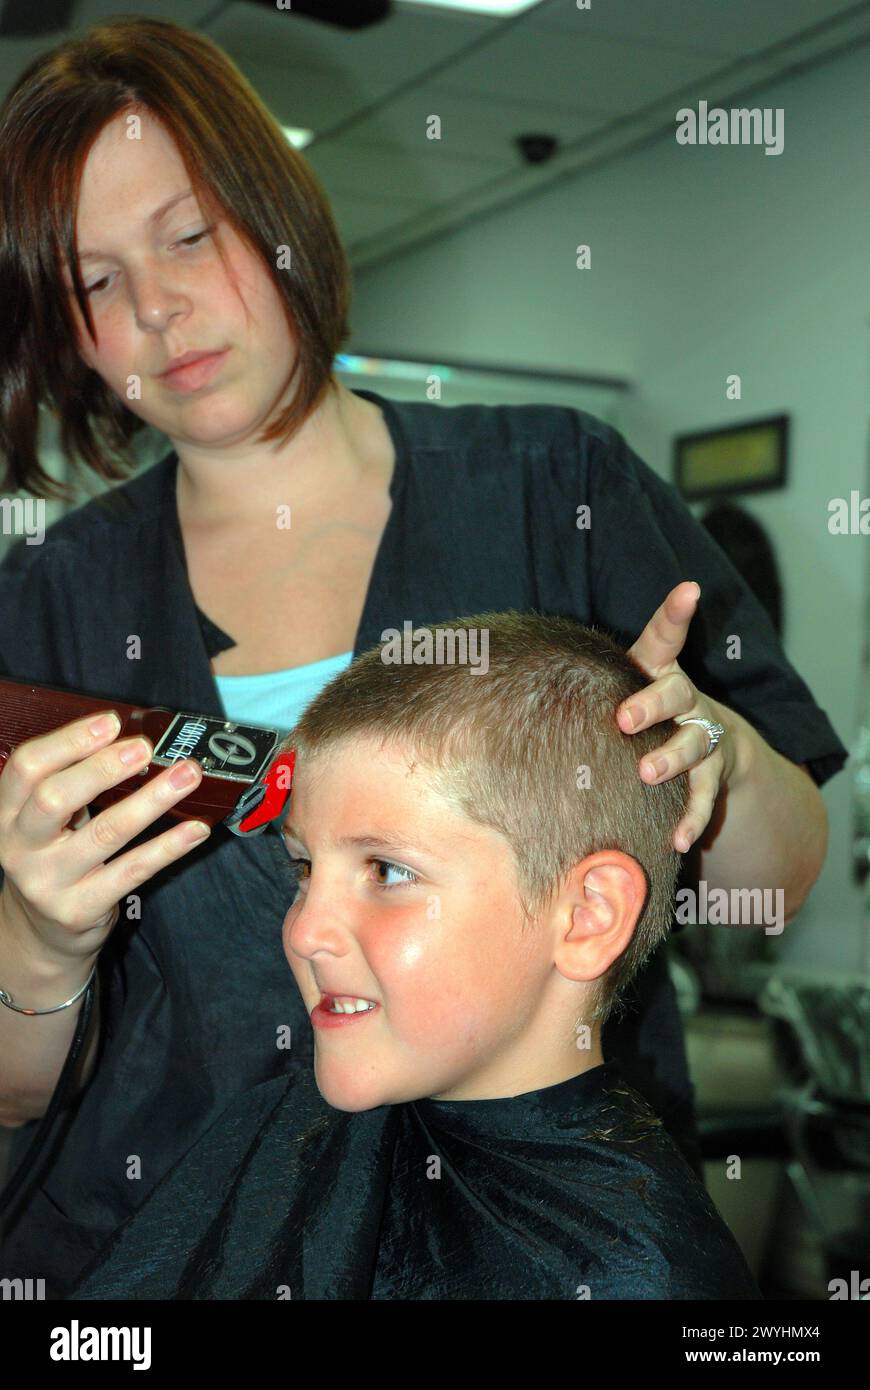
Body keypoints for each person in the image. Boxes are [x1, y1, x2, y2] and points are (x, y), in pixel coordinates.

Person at [0, 18, 845, 1298]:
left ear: (277, 211)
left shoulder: (557, 486)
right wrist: (39, 946)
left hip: (531, 1236)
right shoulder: (51, 603)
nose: (158, 308)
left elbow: (768, 891)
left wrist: (706, 759)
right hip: (162, 1254)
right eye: (93, 282)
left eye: (188, 236)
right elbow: (18, 1092)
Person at [70, 613, 761, 1299]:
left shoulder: (642, 1276)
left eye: (387, 872)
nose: (305, 930)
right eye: (303, 868)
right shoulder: (281, 1137)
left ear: (587, 917)